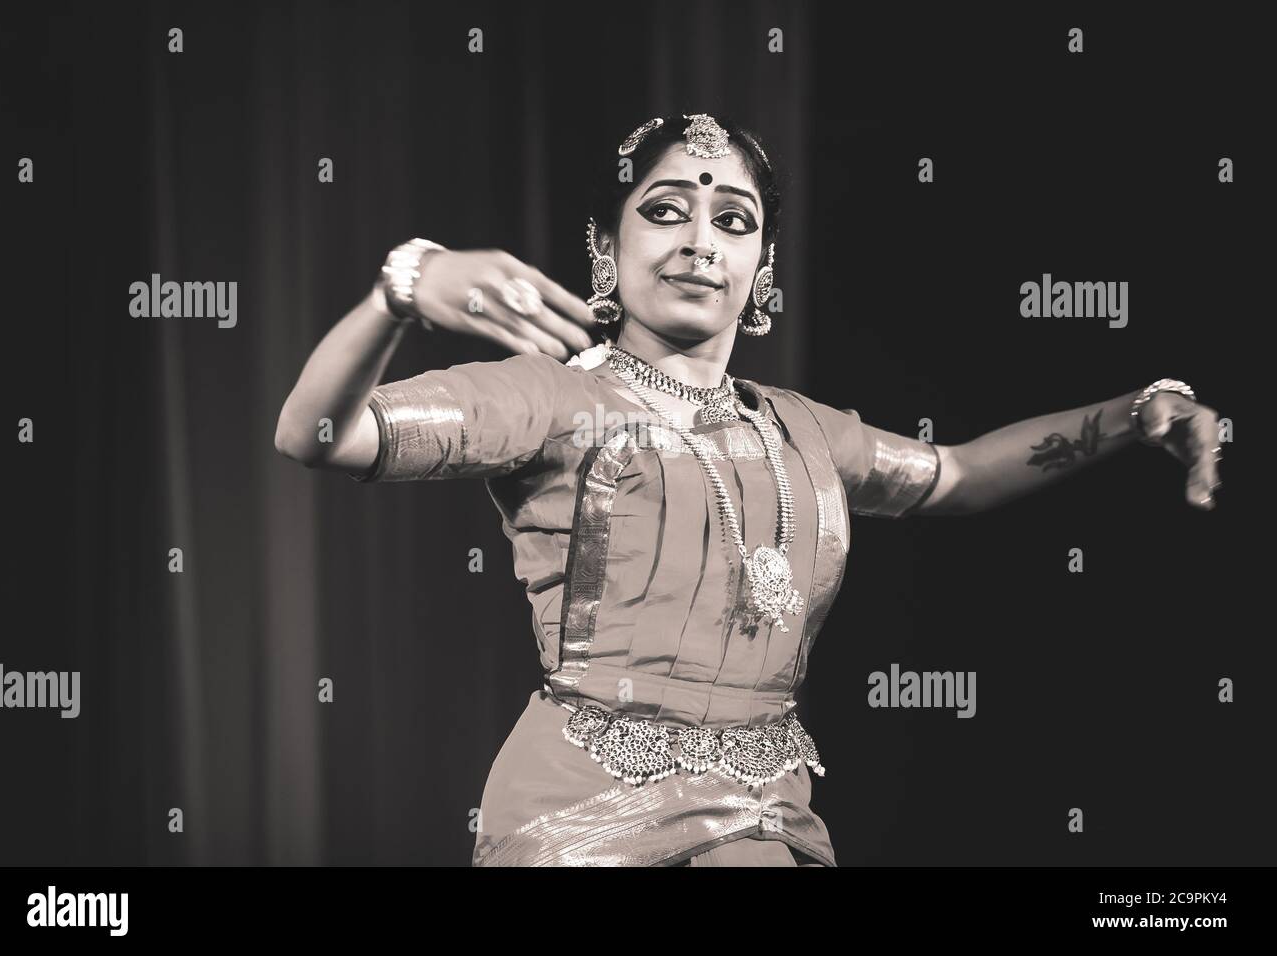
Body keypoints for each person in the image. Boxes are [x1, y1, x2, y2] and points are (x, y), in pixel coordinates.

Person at [274, 113, 1223, 867]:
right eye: (665, 210)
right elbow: (317, 434)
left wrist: (1134, 411)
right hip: (584, 815)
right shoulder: (552, 395)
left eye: (733, 220)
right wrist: (401, 290)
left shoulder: (802, 429)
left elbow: (960, 477)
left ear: (761, 269)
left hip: (767, 804)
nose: (700, 241)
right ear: (605, 248)